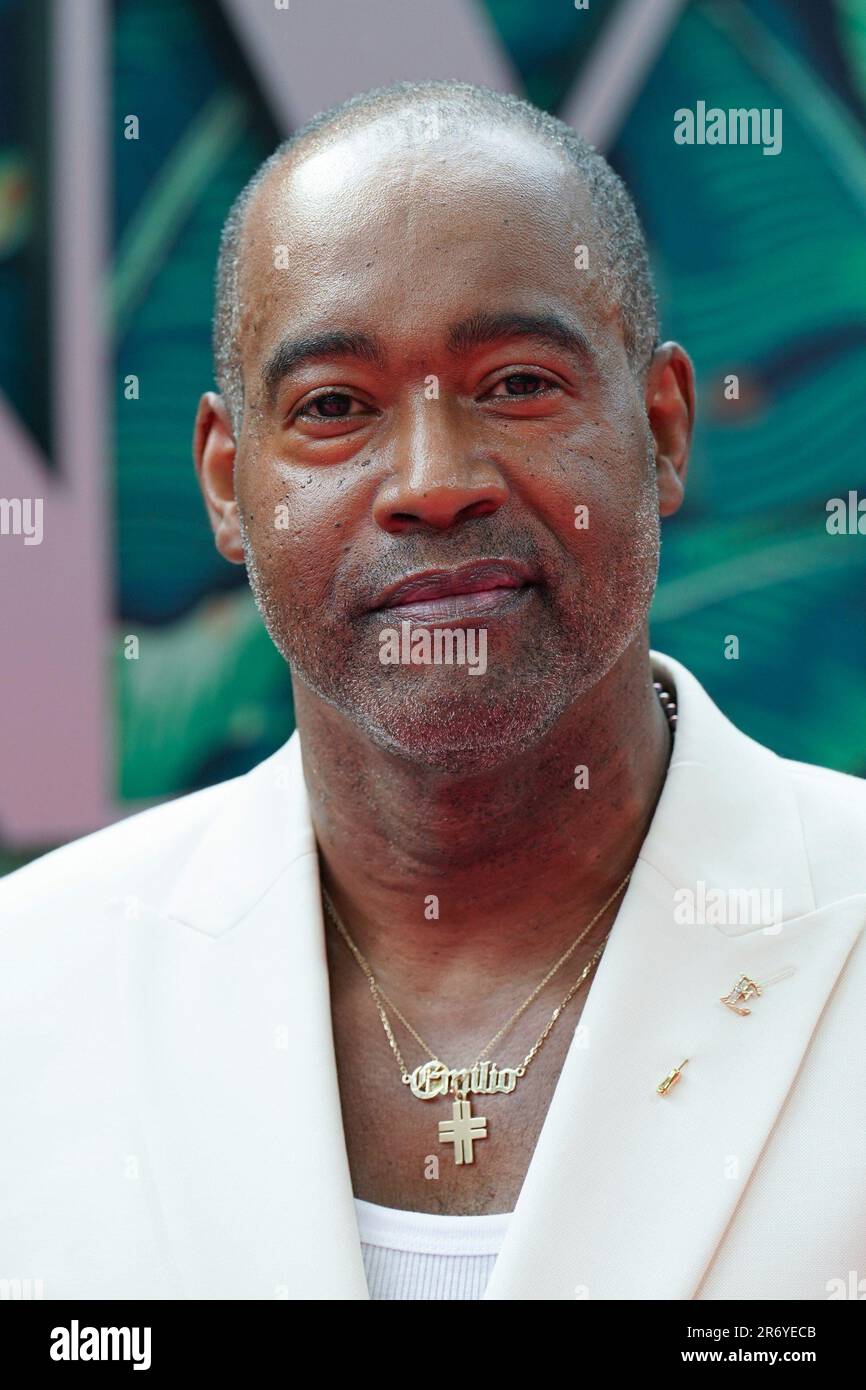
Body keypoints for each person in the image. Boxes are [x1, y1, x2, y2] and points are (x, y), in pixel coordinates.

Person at [2, 80, 865, 1302]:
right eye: (334, 408)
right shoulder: (31, 998)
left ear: (663, 430)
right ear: (224, 480)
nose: (431, 481)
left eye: (516, 383)